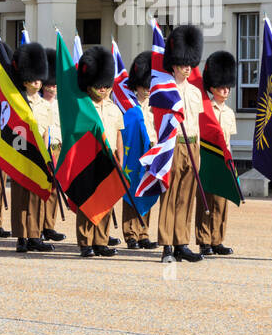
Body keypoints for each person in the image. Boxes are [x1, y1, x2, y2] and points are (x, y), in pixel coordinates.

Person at [158, 25, 205, 264]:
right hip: (172, 145)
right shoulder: (165, 89)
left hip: (192, 144)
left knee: (187, 194)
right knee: (170, 192)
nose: (188, 68)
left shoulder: (196, 92)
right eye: (184, 64)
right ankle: (167, 243)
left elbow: (197, 122)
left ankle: (182, 242)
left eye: (190, 64)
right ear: (174, 64)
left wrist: (198, 150)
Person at [75, 46, 123, 258]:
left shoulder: (114, 108)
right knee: (87, 201)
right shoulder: (83, 107)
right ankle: (86, 242)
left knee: (106, 200)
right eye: (99, 85)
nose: (103, 89)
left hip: (109, 157)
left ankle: (101, 241)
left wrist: (120, 157)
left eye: (106, 85)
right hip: (88, 159)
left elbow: (119, 134)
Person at [193, 50, 239, 257]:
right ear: (212, 88)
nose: (226, 90)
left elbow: (229, 140)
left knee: (221, 201)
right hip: (207, 158)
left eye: (227, 87)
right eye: (222, 86)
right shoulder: (204, 108)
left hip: (223, 158)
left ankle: (217, 239)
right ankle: (204, 240)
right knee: (206, 201)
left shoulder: (229, 112)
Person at [9, 42, 53, 253]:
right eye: (32, 78)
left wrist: (45, 156)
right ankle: (21, 236)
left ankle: (35, 235)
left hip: (39, 155)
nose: (36, 82)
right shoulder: (17, 101)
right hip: (21, 153)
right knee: (20, 198)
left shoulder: (46, 105)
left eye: (38, 78)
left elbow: (46, 132)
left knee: (37, 196)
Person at [120, 52, 159, 250]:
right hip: (133, 154)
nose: (147, 91)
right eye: (144, 87)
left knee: (148, 190)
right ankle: (130, 234)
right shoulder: (129, 106)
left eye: (149, 87)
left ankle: (144, 232)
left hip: (151, 152)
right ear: (136, 86)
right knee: (131, 191)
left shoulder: (156, 106)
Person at [40, 50, 66, 243]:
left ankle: (49, 225)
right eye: (50, 83)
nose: (53, 87)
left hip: (57, 147)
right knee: (41, 187)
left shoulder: (60, 104)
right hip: (41, 148)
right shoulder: (38, 103)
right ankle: (37, 226)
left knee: (54, 189)